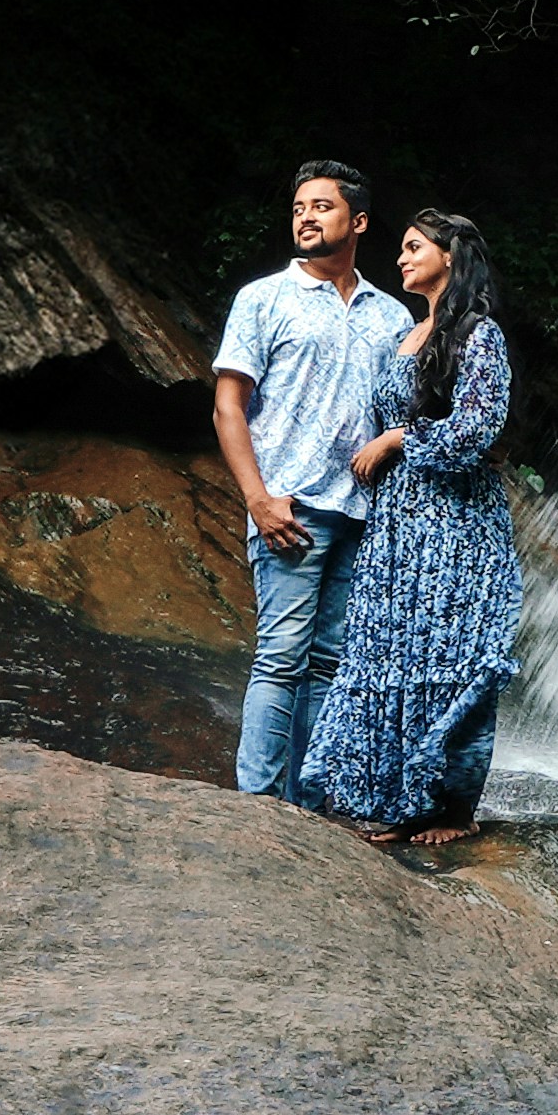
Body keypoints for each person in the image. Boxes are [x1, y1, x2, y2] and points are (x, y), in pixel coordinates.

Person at [294, 207, 519, 849]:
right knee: (390, 655)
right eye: (399, 249)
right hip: (396, 527)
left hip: (456, 526)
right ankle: (390, 799)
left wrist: (397, 438)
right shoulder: (409, 336)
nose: (400, 259)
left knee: (450, 660)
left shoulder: (478, 335)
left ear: (450, 256)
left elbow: (479, 429)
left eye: (414, 247)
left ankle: (450, 809)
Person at [206, 161, 409, 801]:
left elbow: (404, 418)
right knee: (280, 658)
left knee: (330, 665)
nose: (306, 217)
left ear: (359, 221)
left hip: (362, 514)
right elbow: (227, 405)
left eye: (322, 206)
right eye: (299, 208)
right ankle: (258, 805)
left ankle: (309, 806)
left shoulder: (392, 316)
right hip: (290, 507)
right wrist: (257, 499)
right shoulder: (263, 298)